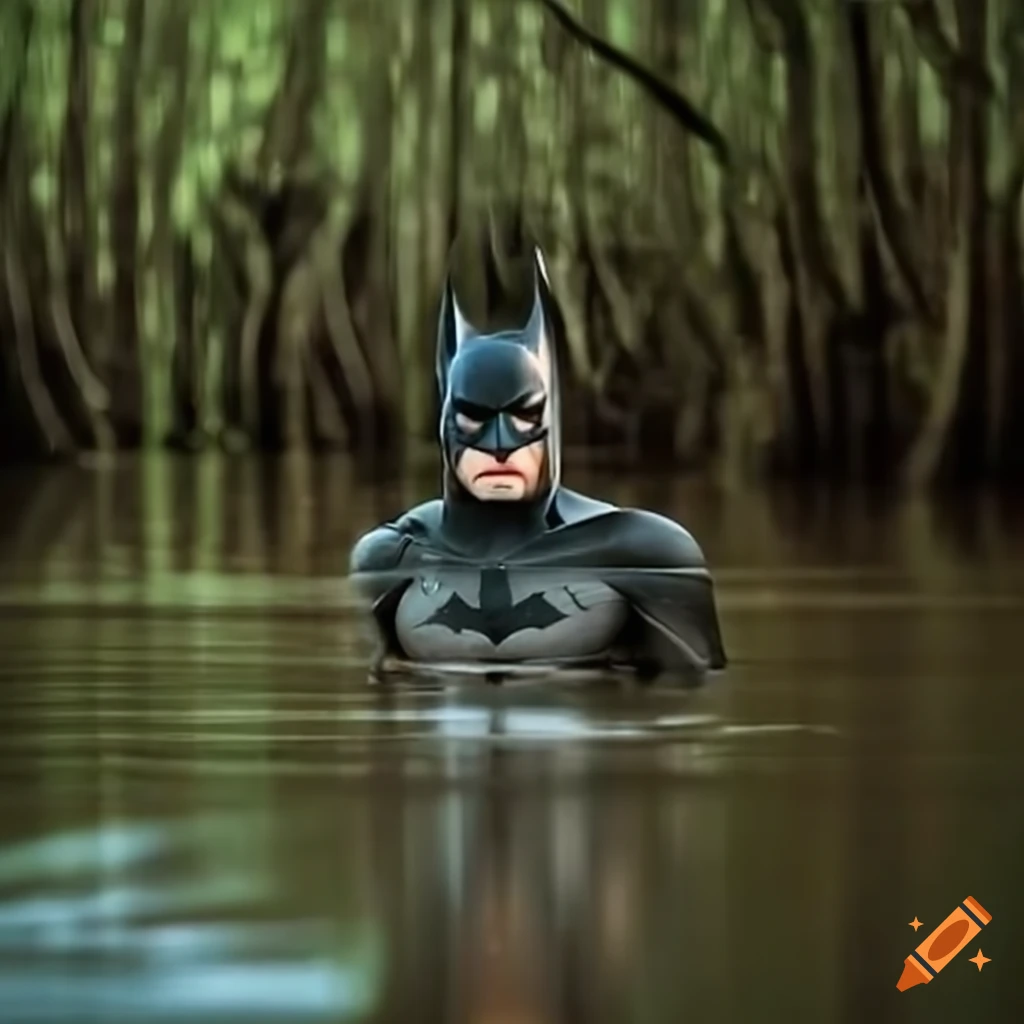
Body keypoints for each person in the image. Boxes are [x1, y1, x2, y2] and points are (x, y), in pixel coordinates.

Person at [349, 246, 726, 681]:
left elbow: (696, 695)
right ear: (446, 426)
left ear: (550, 422)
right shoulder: (392, 556)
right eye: (474, 420)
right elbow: (379, 694)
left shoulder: (644, 551)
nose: (500, 448)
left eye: (524, 418)